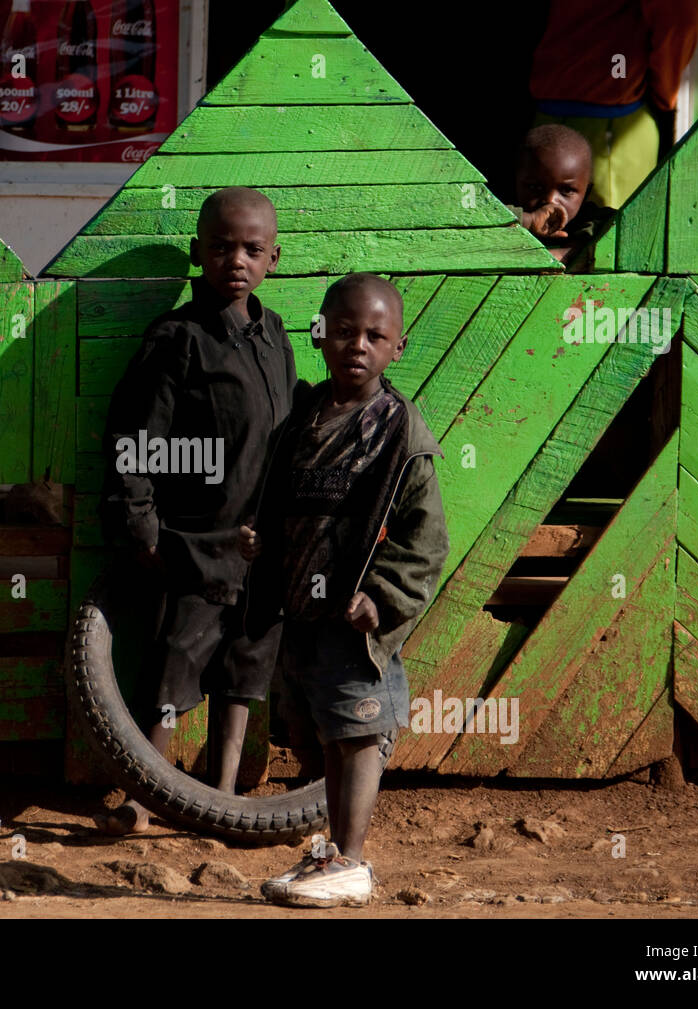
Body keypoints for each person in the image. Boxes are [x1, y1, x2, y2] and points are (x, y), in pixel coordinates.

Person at [240, 273, 449, 907]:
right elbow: (279, 502)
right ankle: (331, 853)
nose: (358, 345)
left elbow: (426, 539)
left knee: (359, 734)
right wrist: (260, 544)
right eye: (345, 331)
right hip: (301, 613)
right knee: (325, 737)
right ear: (321, 335)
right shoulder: (301, 419)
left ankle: (353, 862)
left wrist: (381, 597)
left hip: (355, 624)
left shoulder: (399, 432)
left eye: (375, 336)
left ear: (398, 347)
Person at [95, 187, 297, 834]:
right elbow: (135, 435)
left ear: (273, 259)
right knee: (175, 665)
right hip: (194, 539)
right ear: (197, 253)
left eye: (251, 249)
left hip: (259, 543)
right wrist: (141, 521)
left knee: (245, 664)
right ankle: (147, 794)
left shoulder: (277, 337)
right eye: (220, 246)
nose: (235, 259)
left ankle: (224, 789)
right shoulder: (179, 340)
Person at [528, 0, 698, 208]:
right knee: (608, 232)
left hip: (572, 112)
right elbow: (679, 19)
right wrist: (665, 93)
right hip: (608, 124)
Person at [509, 123, 615, 268]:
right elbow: (481, 216)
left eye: (566, 190)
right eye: (535, 187)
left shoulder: (590, 218)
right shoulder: (509, 215)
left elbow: (619, 224)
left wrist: (574, 250)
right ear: (515, 182)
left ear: (587, 192)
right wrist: (527, 220)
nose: (550, 200)